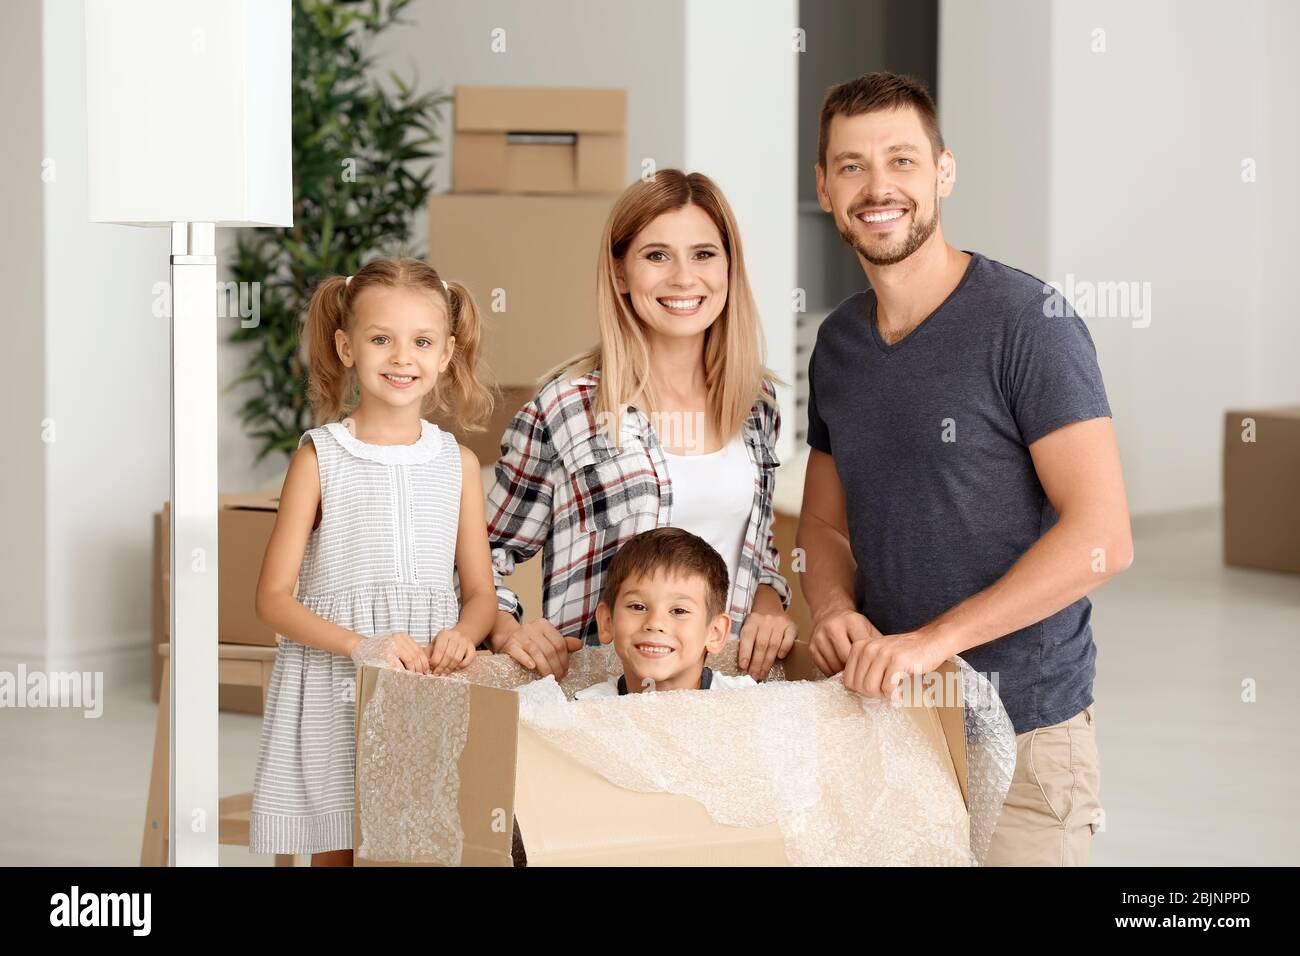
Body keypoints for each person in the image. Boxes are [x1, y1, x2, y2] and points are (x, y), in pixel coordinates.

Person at [797, 73, 1133, 866]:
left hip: (1024, 731)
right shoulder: (840, 346)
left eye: (902, 161)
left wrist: (929, 641)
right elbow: (822, 522)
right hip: (890, 726)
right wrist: (835, 604)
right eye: (851, 166)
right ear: (824, 187)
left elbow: (1103, 537)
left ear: (943, 172)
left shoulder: (1028, 324)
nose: (878, 187)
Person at [485, 170, 797, 683]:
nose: (683, 278)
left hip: (728, 700)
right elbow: (480, 553)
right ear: (620, 274)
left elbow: (756, 548)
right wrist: (506, 629)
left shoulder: (755, 403)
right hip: (601, 705)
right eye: (656, 256)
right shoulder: (567, 408)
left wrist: (769, 602)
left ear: (729, 268)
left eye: (704, 254)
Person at [249, 257, 499, 866]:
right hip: (335, 685)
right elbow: (273, 599)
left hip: (424, 687)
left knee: (417, 845)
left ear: (446, 354)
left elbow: (481, 594)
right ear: (346, 346)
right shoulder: (320, 457)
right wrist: (362, 646)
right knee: (337, 850)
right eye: (381, 338)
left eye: (421, 341)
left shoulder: (458, 464)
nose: (401, 357)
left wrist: (464, 636)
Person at [574, 527, 759, 699]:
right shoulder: (587, 711)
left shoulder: (743, 704)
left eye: (679, 611)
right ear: (607, 621)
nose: (655, 623)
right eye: (638, 607)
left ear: (715, 632)